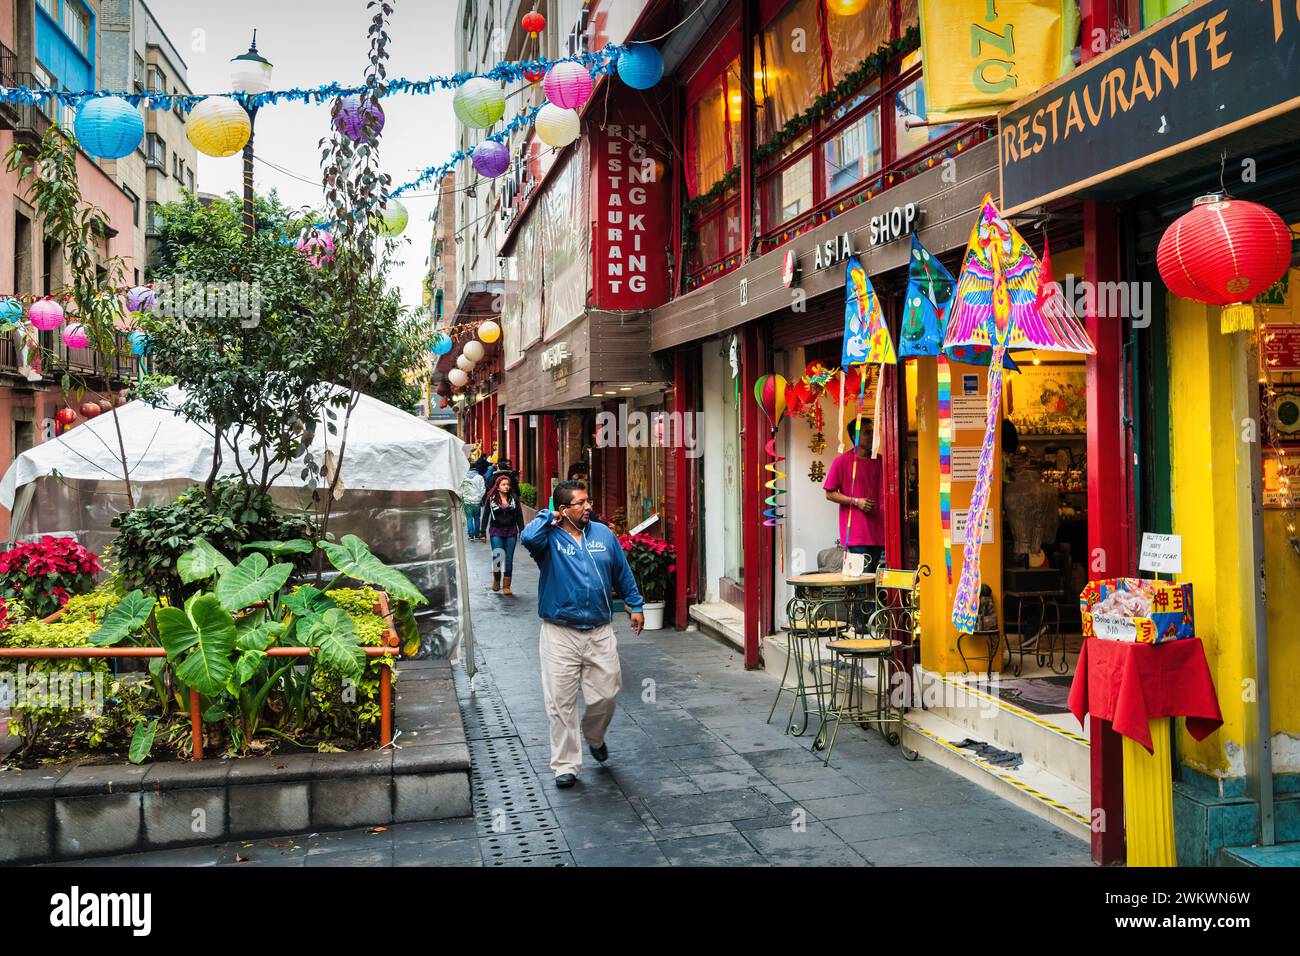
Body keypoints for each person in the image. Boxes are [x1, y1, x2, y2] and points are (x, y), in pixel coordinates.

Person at [520, 480, 644, 789]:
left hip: (600, 630)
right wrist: (548, 517)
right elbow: (526, 537)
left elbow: (622, 571)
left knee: (606, 693)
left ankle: (594, 736)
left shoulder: (603, 534)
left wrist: (635, 603)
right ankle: (566, 765)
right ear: (564, 509)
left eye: (588, 501)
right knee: (560, 702)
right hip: (559, 632)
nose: (589, 506)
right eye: (581, 503)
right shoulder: (548, 538)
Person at [823, 419, 886, 572]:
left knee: (876, 584)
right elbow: (829, 493)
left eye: (873, 432)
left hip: (880, 533)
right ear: (854, 436)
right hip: (856, 536)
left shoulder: (881, 461)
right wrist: (856, 501)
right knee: (860, 583)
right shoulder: (842, 462)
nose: (872, 436)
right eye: (867, 432)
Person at [481, 473, 526, 594]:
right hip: (496, 531)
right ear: (498, 486)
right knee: (497, 557)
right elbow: (485, 516)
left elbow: (519, 516)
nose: (506, 487)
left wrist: (522, 530)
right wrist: (482, 532)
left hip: (511, 532)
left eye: (508, 484)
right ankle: (496, 579)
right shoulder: (491, 499)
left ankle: (507, 586)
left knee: (509, 559)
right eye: (503, 484)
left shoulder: (513, 498)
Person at [459, 467, 486, 542]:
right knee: (477, 518)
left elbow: (461, 489)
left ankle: (471, 535)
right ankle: (477, 535)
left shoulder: (464, 477)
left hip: (467, 502)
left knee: (469, 518)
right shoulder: (480, 477)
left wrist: (463, 497)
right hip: (476, 502)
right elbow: (483, 489)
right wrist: (479, 497)